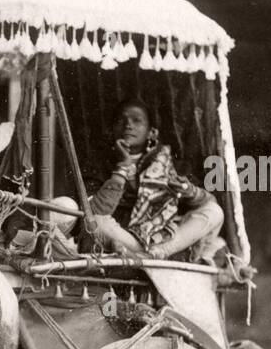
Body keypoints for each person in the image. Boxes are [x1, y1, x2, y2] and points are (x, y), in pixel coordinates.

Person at [58, 97, 224, 260]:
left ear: (152, 132)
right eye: (121, 121)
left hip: (162, 242)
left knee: (214, 211)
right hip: (122, 238)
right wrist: (122, 168)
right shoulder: (99, 163)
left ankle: (155, 254)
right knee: (97, 222)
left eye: (137, 121)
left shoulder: (170, 164)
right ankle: (146, 256)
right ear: (112, 129)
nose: (128, 125)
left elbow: (209, 202)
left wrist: (188, 190)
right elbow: (93, 213)